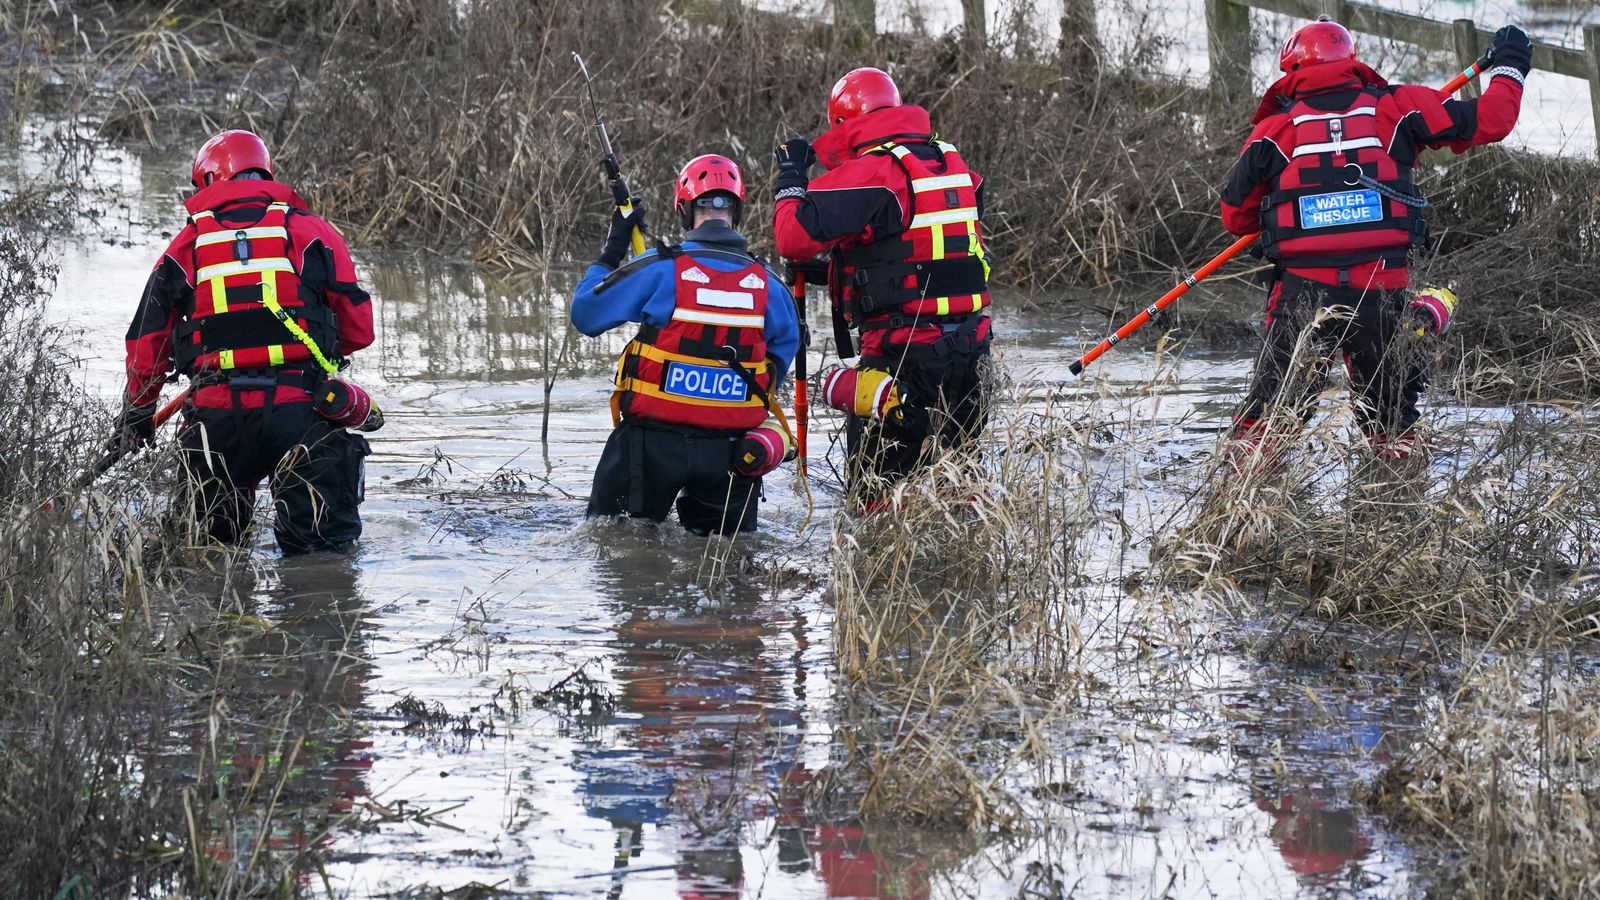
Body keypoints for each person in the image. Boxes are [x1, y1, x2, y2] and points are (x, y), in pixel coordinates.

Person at [1220, 18, 1530, 461]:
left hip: (1302, 298)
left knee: (1262, 432)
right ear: (1352, 61)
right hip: (1380, 291)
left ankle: (1239, 517)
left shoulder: (1273, 132)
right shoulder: (1399, 108)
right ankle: (1400, 512)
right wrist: (1512, 63)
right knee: (1392, 432)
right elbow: (1494, 119)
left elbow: (1235, 217)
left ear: (1289, 71)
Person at [114, 129, 376, 554]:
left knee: (208, 558)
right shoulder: (311, 232)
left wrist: (138, 413)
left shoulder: (186, 246)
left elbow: (148, 340)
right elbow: (360, 330)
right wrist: (315, 350)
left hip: (216, 425)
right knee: (322, 562)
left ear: (208, 181)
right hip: (303, 412)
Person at [771, 67, 993, 507]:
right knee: (956, 494)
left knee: (876, 506)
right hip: (971, 354)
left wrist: (791, 178)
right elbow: (913, 250)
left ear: (841, 123)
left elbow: (791, 235)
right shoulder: (952, 164)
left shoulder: (875, 171)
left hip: (902, 358)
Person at [572, 154, 799, 535]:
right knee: (726, 567)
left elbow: (586, 314)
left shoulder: (659, 269)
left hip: (650, 448)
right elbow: (779, 358)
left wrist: (614, 249)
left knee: (614, 547)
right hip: (733, 453)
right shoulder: (772, 286)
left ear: (684, 210)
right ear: (737, 210)